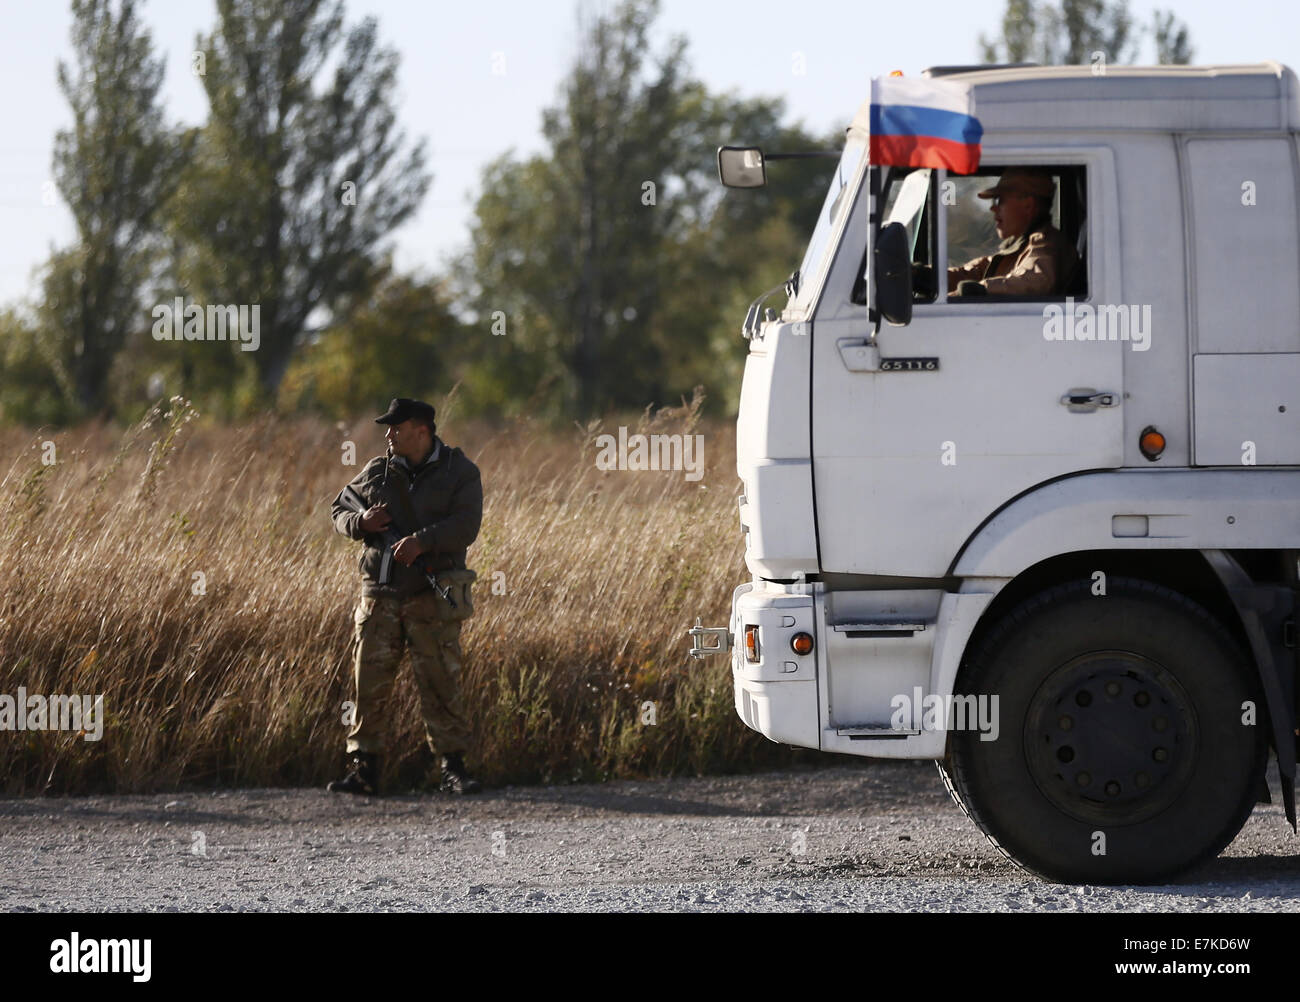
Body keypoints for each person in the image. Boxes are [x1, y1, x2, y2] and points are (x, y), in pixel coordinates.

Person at [327, 397, 484, 796]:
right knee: (369, 684)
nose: (388, 435)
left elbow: (466, 526)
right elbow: (338, 509)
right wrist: (360, 522)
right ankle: (365, 770)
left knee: (440, 684)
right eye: (387, 428)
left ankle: (453, 769)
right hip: (379, 595)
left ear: (422, 431)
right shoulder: (377, 471)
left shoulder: (459, 472)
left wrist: (422, 542)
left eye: (396, 428)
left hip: (431, 597)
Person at [947, 167, 1078, 297]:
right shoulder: (1019, 247)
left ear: (1028, 205)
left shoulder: (1047, 245)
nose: (993, 208)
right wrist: (934, 276)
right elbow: (978, 271)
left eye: (999, 200)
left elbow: (1034, 281)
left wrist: (980, 290)